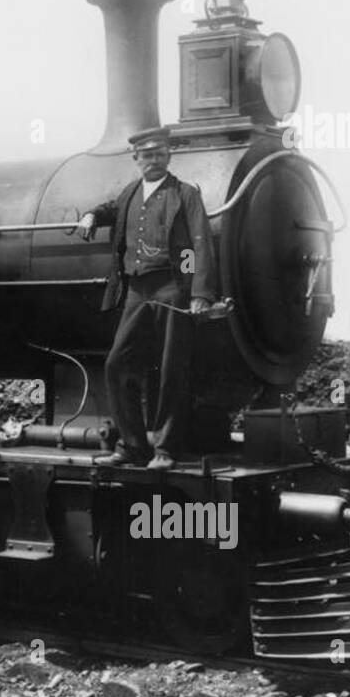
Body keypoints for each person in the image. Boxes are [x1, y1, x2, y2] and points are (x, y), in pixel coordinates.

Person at [76, 128, 216, 470]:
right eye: (147, 156)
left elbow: (199, 243)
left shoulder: (185, 194)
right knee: (117, 364)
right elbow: (112, 209)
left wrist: (198, 292)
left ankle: (165, 450)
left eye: (160, 155)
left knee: (171, 370)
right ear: (135, 159)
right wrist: (92, 214)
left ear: (168, 157)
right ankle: (133, 446)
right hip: (137, 290)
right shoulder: (130, 193)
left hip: (172, 288)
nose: (154, 161)